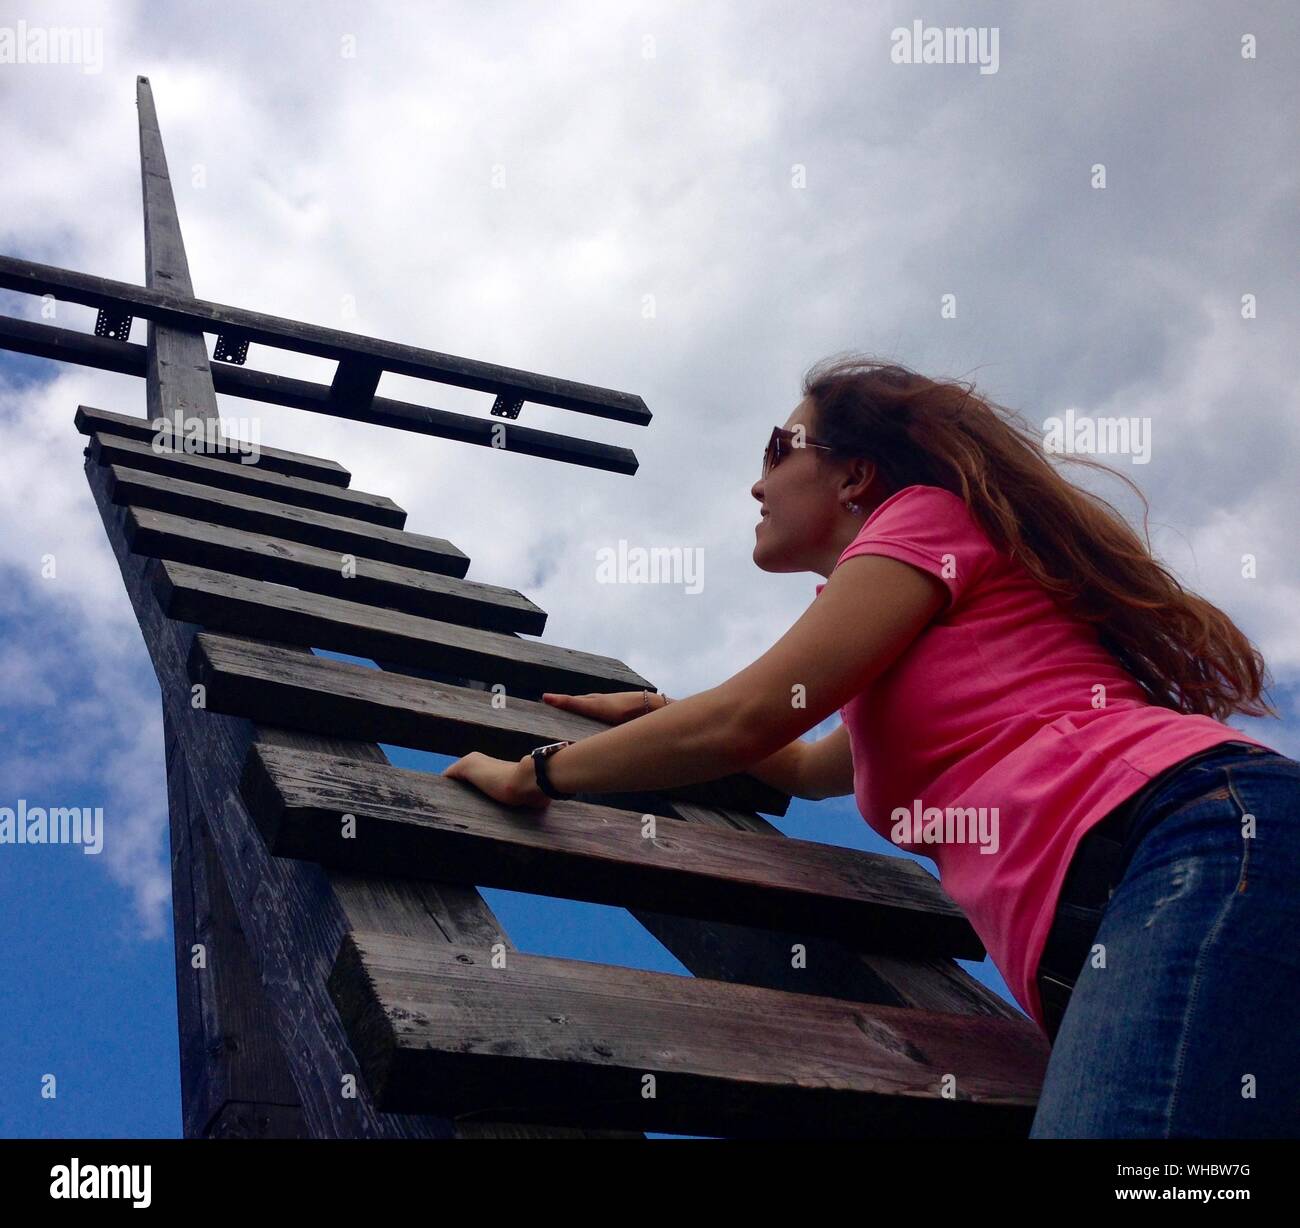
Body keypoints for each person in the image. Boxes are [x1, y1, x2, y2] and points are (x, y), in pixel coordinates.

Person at [443, 355, 1299, 1138]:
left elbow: (749, 719)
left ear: (855, 474)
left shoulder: (924, 520)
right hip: (1182, 874)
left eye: (779, 448)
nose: (755, 484)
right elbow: (810, 767)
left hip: (1188, 844)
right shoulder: (908, 642)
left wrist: (535, 774)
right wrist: (659, 711)